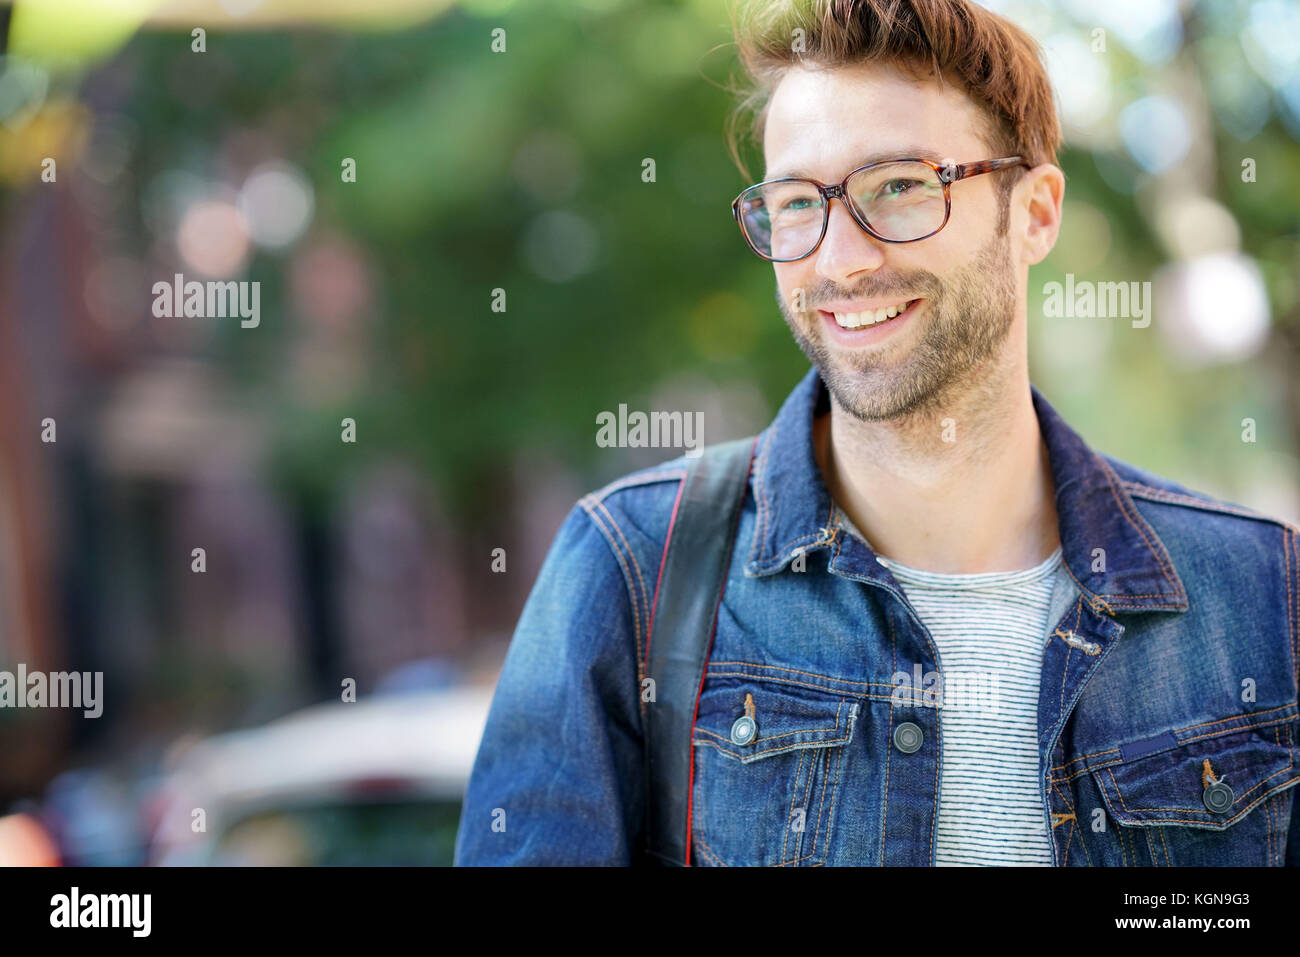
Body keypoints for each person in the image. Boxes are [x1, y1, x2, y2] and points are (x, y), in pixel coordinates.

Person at [455, 0, 1300, 866]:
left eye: (898, 186)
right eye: (795, 204)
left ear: (1036, 212)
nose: (840, 260)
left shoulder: (1263, 594)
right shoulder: (633, 569)